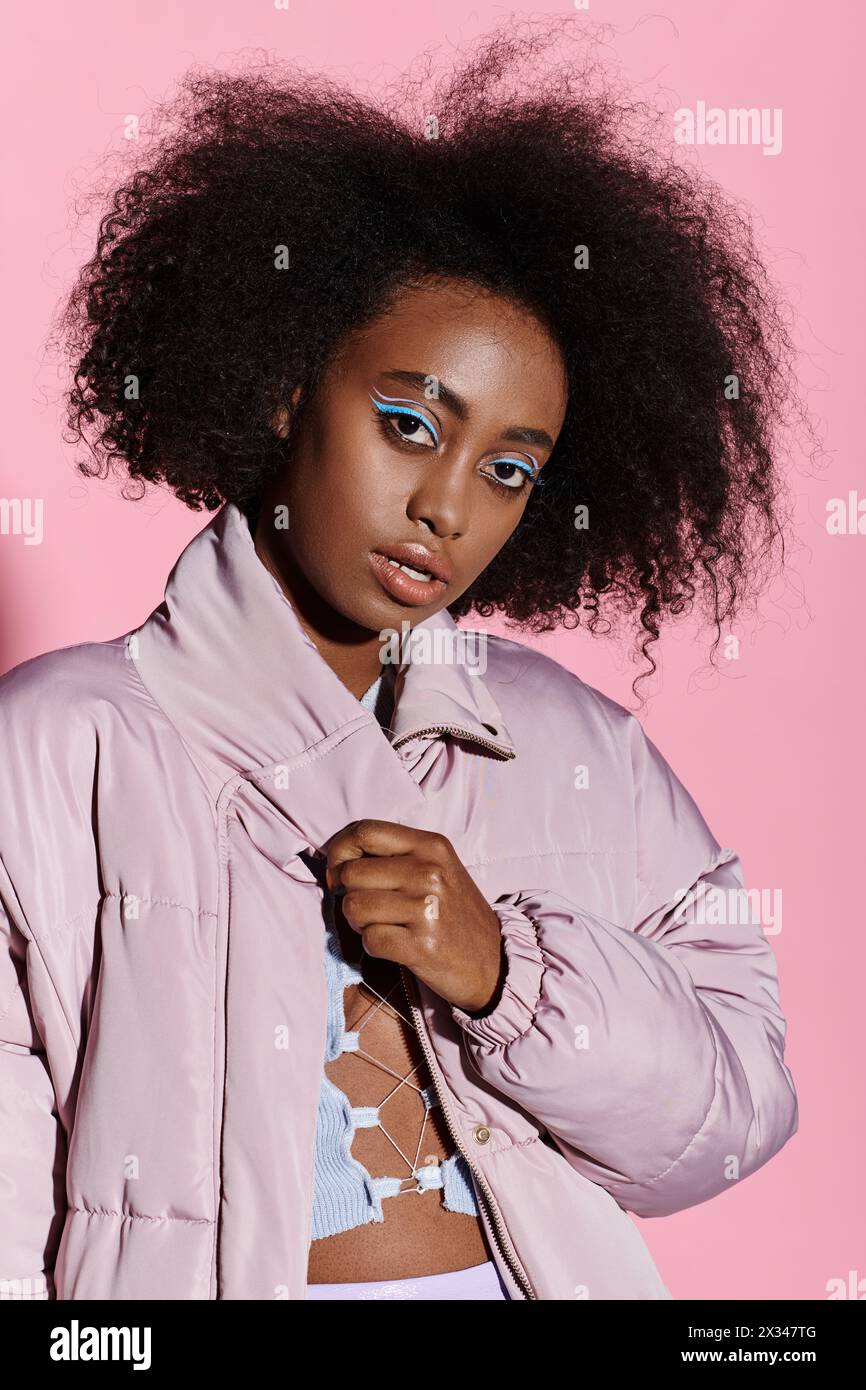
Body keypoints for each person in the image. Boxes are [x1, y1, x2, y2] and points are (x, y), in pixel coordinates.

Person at [0, 21, 802, 1301]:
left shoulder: (571, 746)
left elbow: (733, 1114)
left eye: (506, 471)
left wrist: (504, 972)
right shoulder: (58, 744)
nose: (444, 506)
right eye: (405, 423)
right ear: (280, 390)